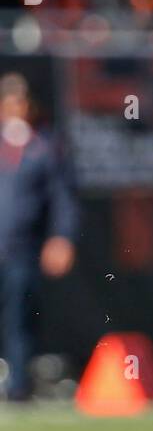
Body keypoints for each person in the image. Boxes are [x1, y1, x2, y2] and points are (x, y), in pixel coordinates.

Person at [0, 73, 78, 403]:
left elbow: (63, 197)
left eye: (21, 100)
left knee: (19, 316)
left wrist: (62, 237)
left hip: (22, 247)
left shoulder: (45, 146)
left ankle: (18, 385)